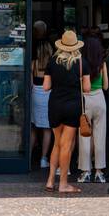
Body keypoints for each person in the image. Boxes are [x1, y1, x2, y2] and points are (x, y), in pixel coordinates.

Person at [43, 30, 90, 195]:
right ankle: (63, 184)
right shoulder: (82, 62)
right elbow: (87, 88)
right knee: (66, 145)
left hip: (55, 105)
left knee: (57, 143)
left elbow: (46, 87)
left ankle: (50, 180)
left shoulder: (52, 61)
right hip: (73, 106)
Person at [77, 28, 108, 183]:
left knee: (84, 136)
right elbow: (106, 86)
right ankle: (99, 172)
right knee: (100, 136)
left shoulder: (81, 64)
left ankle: (85, 171)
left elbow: (80, 85)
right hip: (99, 99)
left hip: (85, 100)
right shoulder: (101, 64)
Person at [30, 20, 53, 172]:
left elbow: (30, 83)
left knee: (33, 127)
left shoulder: (34, 64)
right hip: (47, 95)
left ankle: (29, 156)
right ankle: (44, 158)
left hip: (35, 95)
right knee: (47, 129)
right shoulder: (51, 65)